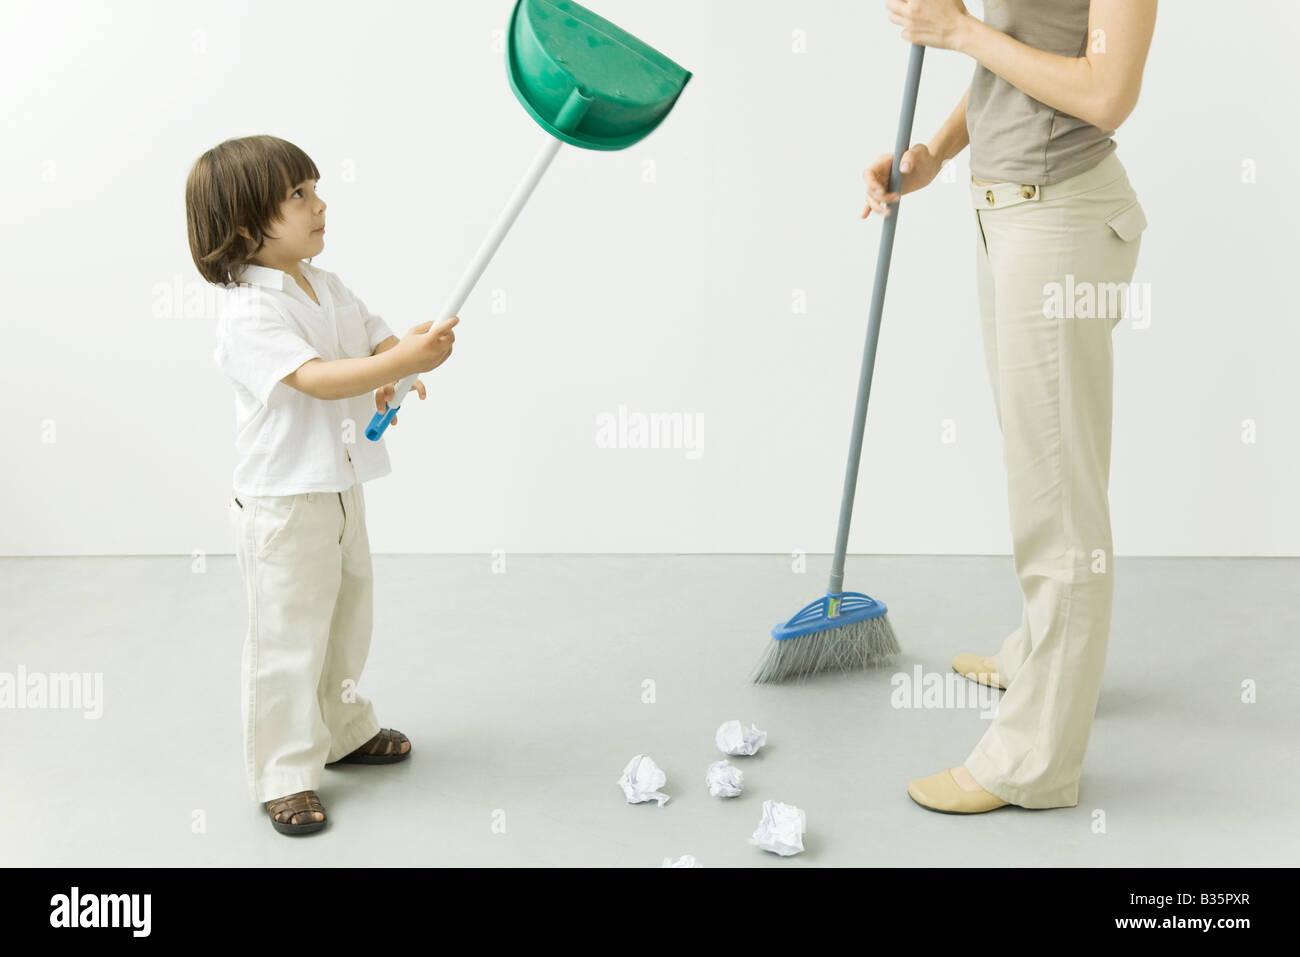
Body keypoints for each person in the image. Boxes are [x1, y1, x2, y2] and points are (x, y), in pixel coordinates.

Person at [861, 0, 1157, 812]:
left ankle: (1034, 760)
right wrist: (932, 155)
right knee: (1036, 464)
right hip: (1008, 214)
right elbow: (1020, 54)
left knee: (1058, 502)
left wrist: (958, 30)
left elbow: (1105, 94)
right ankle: (1041, 657)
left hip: (1061, 220)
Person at [185, 134, 459, 834]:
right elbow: (313, 378)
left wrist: (401, 357)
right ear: (247, 226)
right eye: (299, 195)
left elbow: (368, 341)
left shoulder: (325, 285)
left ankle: (341, 728)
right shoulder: (249, 311)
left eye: (315, 188)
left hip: (338, 488)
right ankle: (283, 770)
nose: (320, 204)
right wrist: (392, 360)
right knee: (287, 638)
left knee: (346, 618)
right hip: (283, 504)